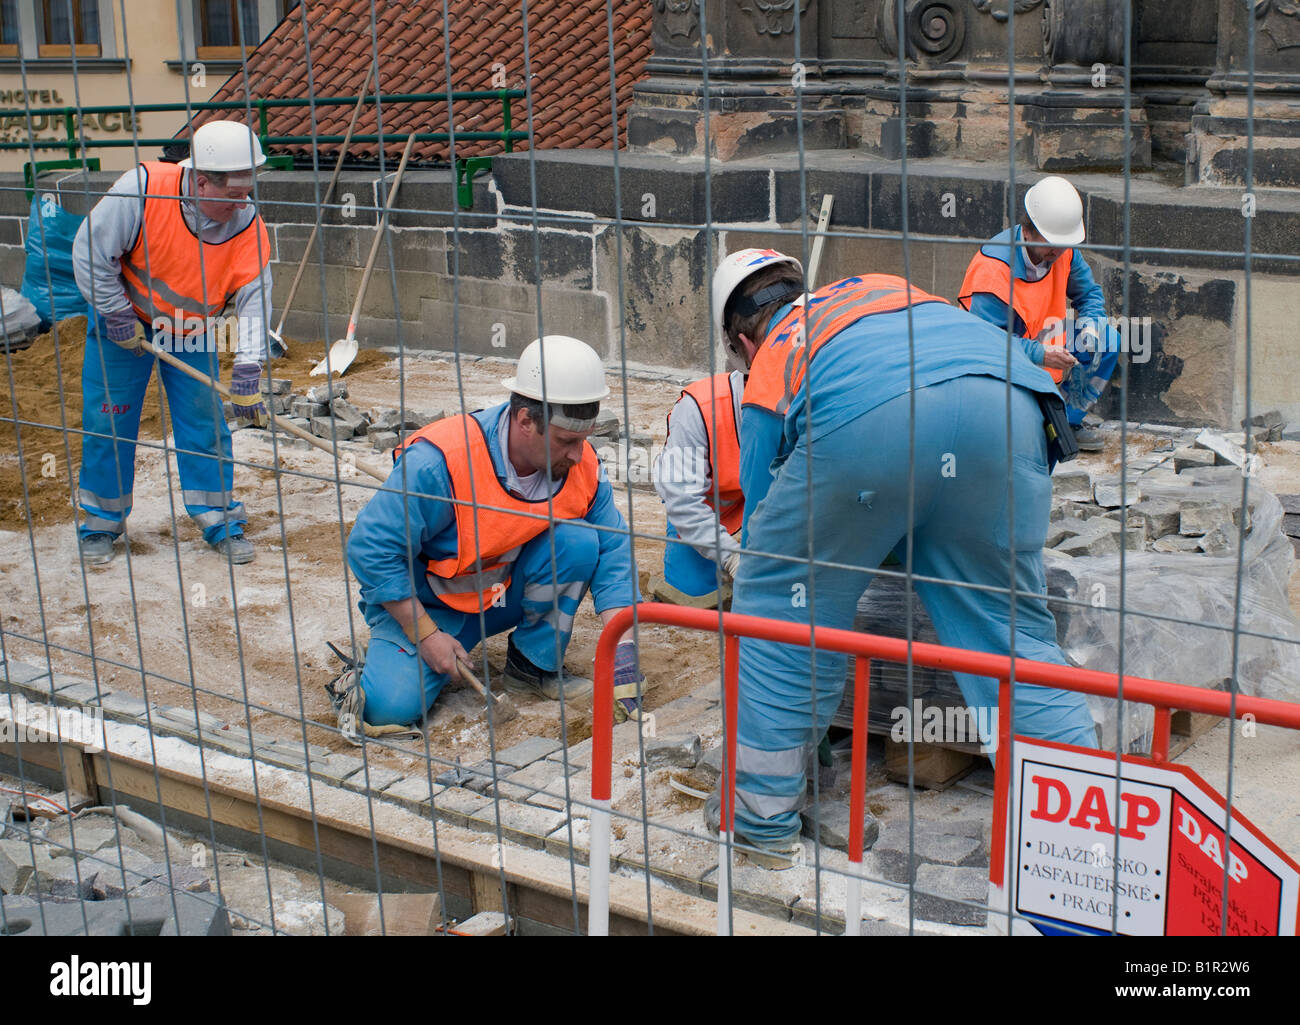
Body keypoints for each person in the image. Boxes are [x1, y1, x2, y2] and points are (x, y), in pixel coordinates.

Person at [709, 247, 1097, 863]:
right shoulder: (883, 287)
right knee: (1011, 637)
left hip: (879, 426)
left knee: (779, 608)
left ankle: (762, 822)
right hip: (1009, 412)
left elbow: (764, 528)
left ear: (740, 339)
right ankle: (1079, 840)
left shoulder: (776, 356)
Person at [333, 336, 646, 744]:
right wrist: (426, 635)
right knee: (387, 708)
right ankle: (373, 670)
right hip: (431, 604)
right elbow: (370, 549)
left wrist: (621, 649)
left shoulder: (581, 463)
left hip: (501, 596)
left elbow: (613, 546)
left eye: (583, 439)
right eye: (566, 440)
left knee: (582, 542)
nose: (577, 454)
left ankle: (531, 667)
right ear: (524, 420)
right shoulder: (440, 462)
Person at [72, 120, 273, 566]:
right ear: (201, 180)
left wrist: (248, 365)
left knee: (204, 426)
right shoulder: (143, 190)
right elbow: (89, 251)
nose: (243, 203)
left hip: (192, 331)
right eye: (234, 194)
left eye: (248, 191)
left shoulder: (246, 222)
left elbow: (256, 300)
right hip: (124, 323)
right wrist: (116, 313)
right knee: (109, 420)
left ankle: (221, 519)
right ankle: (100, 525)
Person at [958, 175, 1120, 451]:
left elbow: (1089, 294)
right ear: (1027, 230)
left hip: (1041, 339)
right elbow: (987, 343)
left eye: (1063, 243)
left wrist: (1092, 326)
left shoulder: (1062, 252)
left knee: (1108, 341)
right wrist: (1040, 355)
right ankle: (1028, 423)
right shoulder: (993, 271)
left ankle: (1065, 420)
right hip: (996, 361)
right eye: (1051, 242)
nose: (1056, 251)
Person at [651, 370, 745, 609]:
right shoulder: (698, 408)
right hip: (698, 506)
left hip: (758, 505)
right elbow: (683, 501)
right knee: (693, 598)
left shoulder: (797, 399)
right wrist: (732, 557)